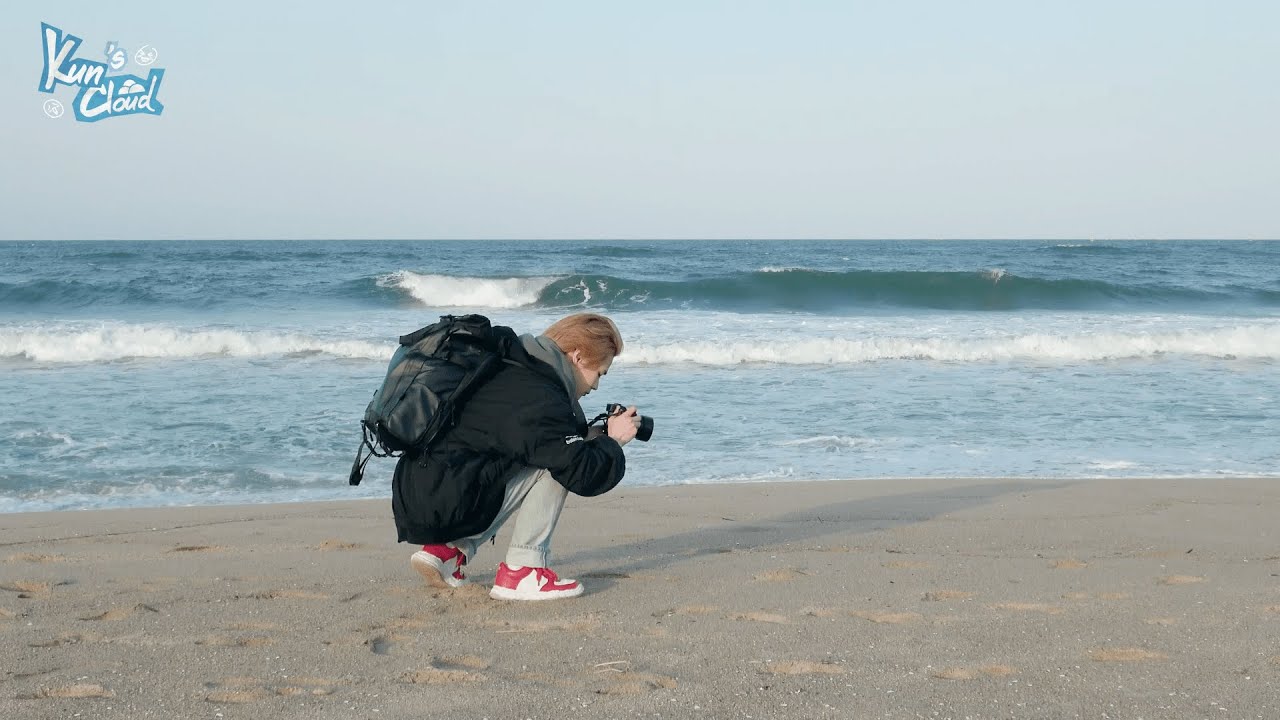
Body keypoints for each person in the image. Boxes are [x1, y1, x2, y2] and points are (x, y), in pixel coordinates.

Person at [391, 312, 641, 601]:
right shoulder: (542, 394)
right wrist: (613, 442)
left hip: (420, 491)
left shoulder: (513, 363)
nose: (596, 385)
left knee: (551, 453)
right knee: (557, 465)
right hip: (446, 499)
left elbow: (533, 436)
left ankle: (445, 550)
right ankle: (523, 570)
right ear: (578, 356)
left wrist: (593, 435)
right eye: (600, 373)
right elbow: (581, 473)